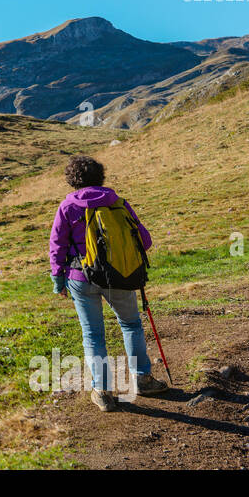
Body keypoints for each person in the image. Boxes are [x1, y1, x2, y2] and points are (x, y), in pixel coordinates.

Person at [49, 155, 168, 411]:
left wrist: (58, 280)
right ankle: (143, 379)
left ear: (72, 180)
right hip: (119, 276)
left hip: (80, 278)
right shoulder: (117, 202)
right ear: (100, 176)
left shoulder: (67, 207)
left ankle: (102, 391)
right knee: (131, 325)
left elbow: (57, 246)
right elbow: (144, 240)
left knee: (93, 335)